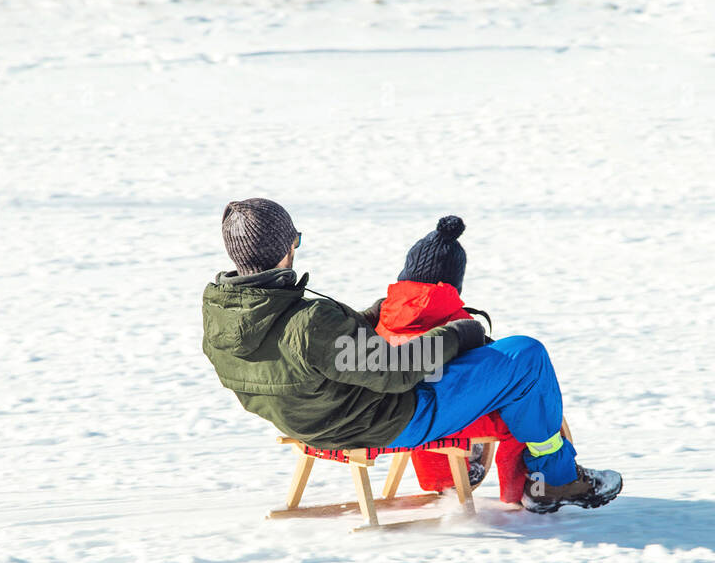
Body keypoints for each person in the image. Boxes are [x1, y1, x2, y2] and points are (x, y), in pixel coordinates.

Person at [201, 198, 621, 513]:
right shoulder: (310, 321)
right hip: (386, 421)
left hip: (312, 424)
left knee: (508, 361)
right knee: (525, 357)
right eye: (295, 239)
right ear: (284, 248)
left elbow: (311, 354)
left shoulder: (222, 317)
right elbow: (395, 373)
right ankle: (557, 479)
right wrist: (458, 334)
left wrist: (365, 317)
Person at [373, 215, 527, 506]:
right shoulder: (454, 319)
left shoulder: (384, 315)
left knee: (421, 385)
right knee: (517, 406)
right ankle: (520, 493)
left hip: (390, 413)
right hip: (436, 418)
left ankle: (440, 479)